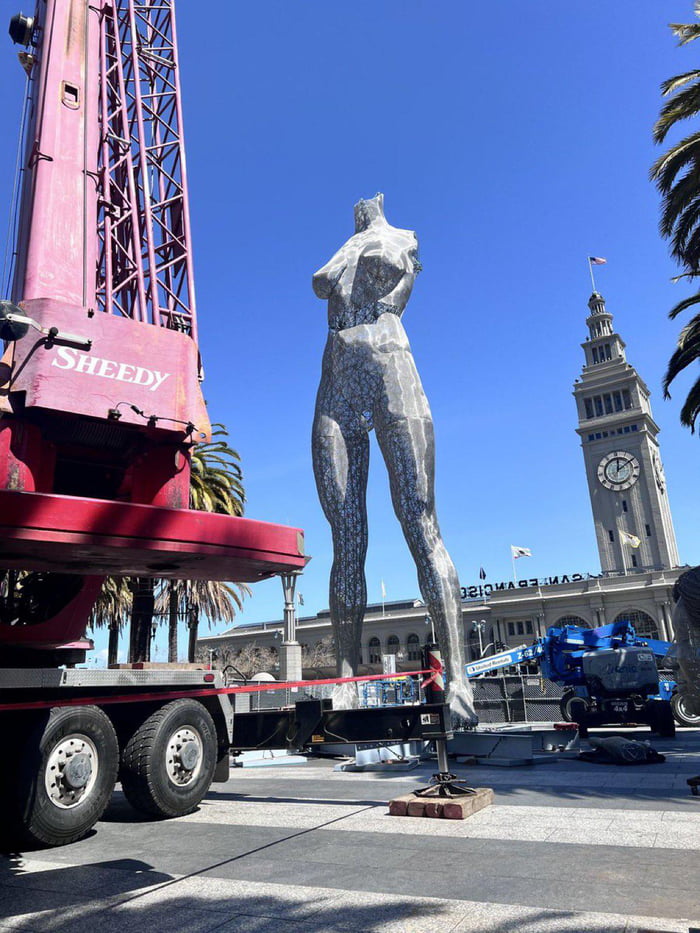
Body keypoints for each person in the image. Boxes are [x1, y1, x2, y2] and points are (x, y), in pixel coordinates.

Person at [311, 193, 474, 722]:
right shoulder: (345, 244)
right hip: (335, 377)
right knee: (346, 535)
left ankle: (458, 679)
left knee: (420, 521)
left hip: (389, 365)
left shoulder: (404, 236)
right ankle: (345, 675)